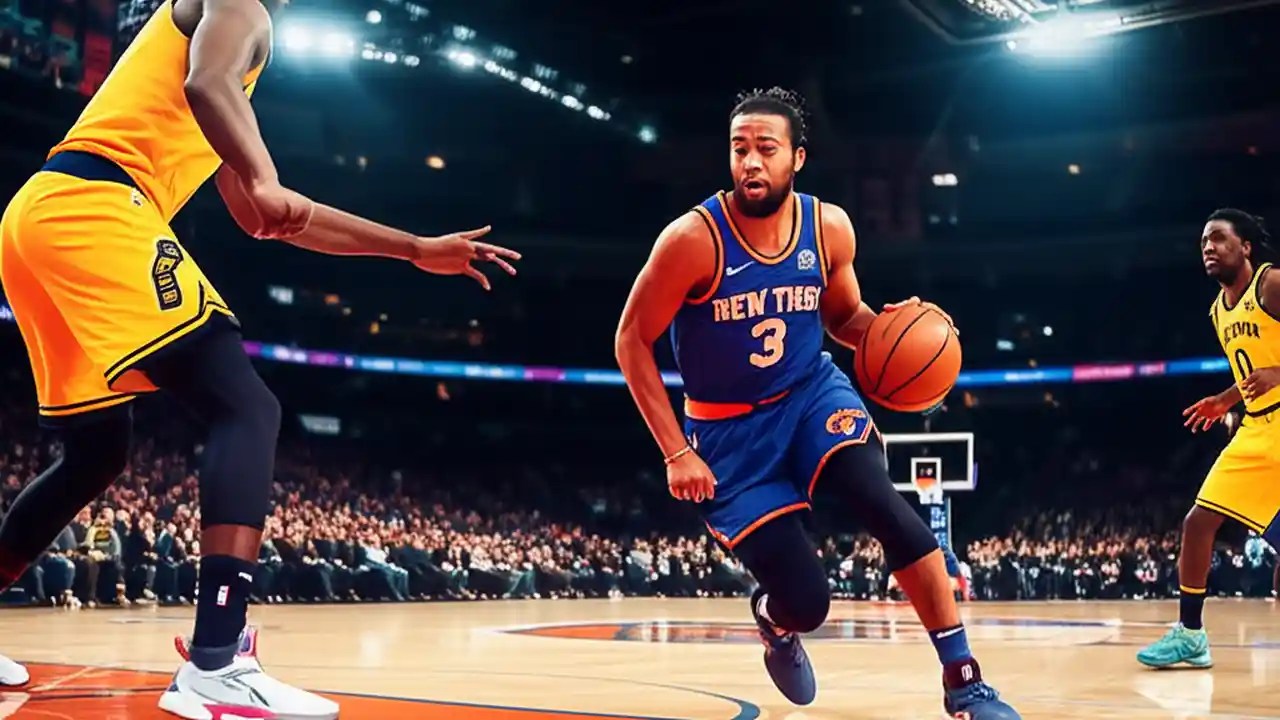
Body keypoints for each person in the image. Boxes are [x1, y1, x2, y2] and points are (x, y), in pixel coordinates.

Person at [0, 0, 519, 714]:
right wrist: (265, 171)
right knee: (246, 405)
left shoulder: (233, 66)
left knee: (97, 453)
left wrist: (412, 247)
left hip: (39, 217)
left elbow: (265, 215)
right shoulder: (240, 7)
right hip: (95, 206)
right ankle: (217, 661)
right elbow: (206, 88)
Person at [614, 86, 1019, 719]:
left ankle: (964, 680)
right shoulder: (691, 240)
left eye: (765, 149)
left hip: (809, 395)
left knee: (883, 503)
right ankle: (776, 621)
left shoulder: (827, 227)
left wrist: (890, 333)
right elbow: (631, 340)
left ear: (796, 158)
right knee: (809, 602)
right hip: (727, 438)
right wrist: (675, 452)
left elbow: (844, 318)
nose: (750, 162)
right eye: (739, 149)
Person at [1137, 209, 1280, 669]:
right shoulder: (1219, 310)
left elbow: (1271, 369)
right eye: (1203, 242)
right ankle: (1191, 635)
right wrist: (1225, 400)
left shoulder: (1272, 285)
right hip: (1257, 427)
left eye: (1219, 238)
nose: (1209, 247)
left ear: (1246, 248)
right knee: (1198, 523)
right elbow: (1252, 370)